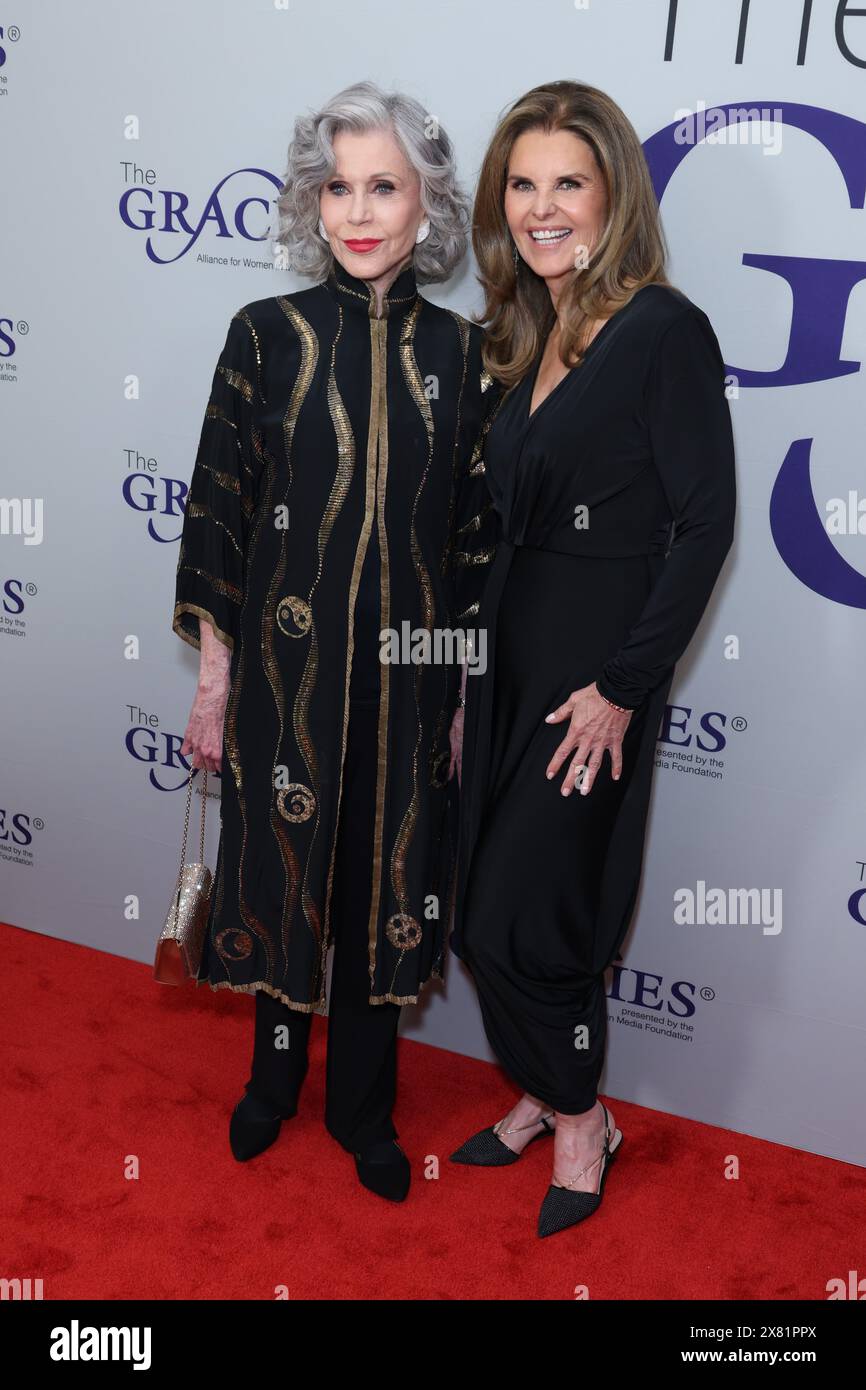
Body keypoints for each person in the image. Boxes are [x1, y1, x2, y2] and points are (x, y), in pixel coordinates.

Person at [172, 81, 498, 1202]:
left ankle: (365, 1110)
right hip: (281, 675)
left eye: (384, 186)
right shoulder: (261, 336)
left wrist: (456, 690)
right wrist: (214, 682)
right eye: (338, 187)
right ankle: (270, 1086)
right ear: (314, 203)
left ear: (426, 206)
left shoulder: (465, 357)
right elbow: (218, 510)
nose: (358, 212)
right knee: (281, 867)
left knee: (381, 878)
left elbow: (472, 547)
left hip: (407, 689)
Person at [448, 80, 736, 1237]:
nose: (541, 206)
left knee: (537, 917)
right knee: (478, 905)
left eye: (566, 181)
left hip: (589, 680)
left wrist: (622, 688)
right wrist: (469, 679)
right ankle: (540, 1087)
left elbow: (705, 523)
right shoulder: (523, 334)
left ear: (613, 193)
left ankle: (580, 1122)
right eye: (521, 184)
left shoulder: (662, 330)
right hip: (506, 666)